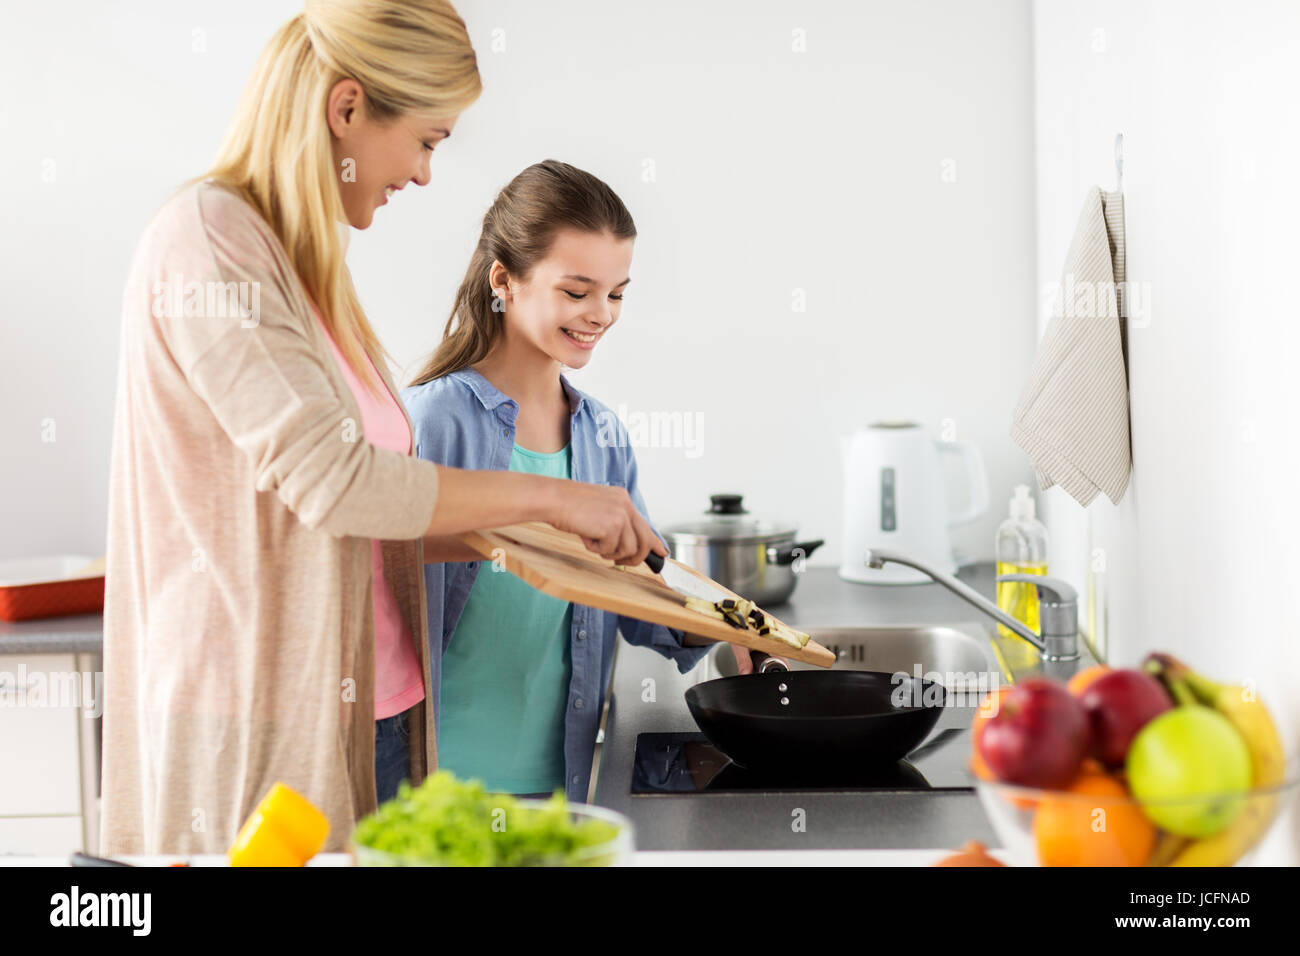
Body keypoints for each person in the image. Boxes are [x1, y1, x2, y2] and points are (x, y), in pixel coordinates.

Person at [101, 2, 662, 856]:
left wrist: (546, 540)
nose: (427, 174)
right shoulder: (210, 242)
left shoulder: (302, 265)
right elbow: (338, 483)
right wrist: (556, 499)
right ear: (347, 108)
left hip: (379, 708)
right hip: (261, 709)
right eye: (428, 140)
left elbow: (364, 528)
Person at [403, 160, 749, 804]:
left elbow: (636, 585)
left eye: (616, 294)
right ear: (504, 281)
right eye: (576, 292)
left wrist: (717, 622)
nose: (601, 314)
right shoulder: (435, 418)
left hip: (558, 781)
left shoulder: (602, 432)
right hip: (438, 782)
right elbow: (377, 565)